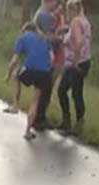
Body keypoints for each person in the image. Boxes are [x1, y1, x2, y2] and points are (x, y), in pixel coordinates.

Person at [6, 22, 53, 140]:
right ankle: (27, 131)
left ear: (25, 30)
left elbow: (14, 61)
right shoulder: (45, 39)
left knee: (15, 75)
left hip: (30, 70)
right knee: (35, 101)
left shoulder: (22, 38)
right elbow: (52, 58)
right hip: (44, 73)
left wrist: (8, 75)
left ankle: (15, 105)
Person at [58, 0, 92, 131]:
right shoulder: (85, 22)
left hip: (76, 63)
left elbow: (78, 42)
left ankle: (68, 121)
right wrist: (67, 29)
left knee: (62, 91)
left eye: (68, 10)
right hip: (85, 61)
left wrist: (75, 61)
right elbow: (83, 37)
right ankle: (79, 121)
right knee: (77, 92)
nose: (67, 13)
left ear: (72, 10)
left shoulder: (75, 22)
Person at [32, 0, 61, 129]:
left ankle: (37, 116)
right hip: (45, 56)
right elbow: (48, 36)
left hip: (39, 54)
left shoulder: (40, 13)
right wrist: (59, 38)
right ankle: (39, 118)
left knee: (41, 88)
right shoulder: (45, 16)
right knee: (46, 88)